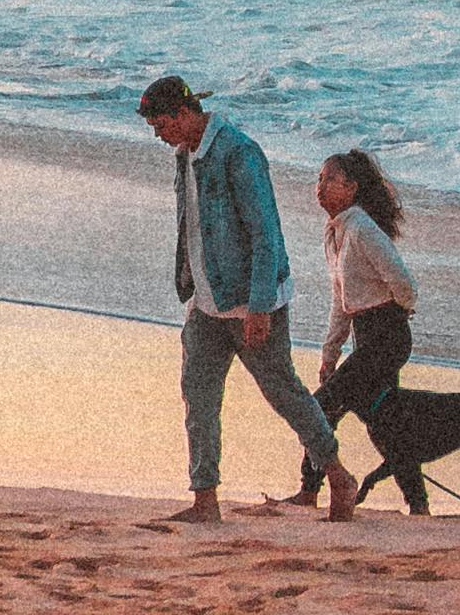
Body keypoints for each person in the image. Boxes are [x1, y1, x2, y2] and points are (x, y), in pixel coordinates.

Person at [135, 74, 355, 521]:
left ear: (183, 114)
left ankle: (337, 474)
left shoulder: (239, 152)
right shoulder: (185, 155)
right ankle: (205, 499)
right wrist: (190, 287)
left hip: (253, 301)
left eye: (161, 125)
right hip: (206, 302)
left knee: (284, 393)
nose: (158, 136)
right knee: (198, 397)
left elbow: (265, 233)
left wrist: (258, 307)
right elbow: (192, 228)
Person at [296, 147, 418, 505]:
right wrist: (329, 353)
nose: (320, 186)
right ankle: (418, 504)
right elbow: (341, 300)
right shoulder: (334, 231)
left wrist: (400, 310)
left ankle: (309, 490)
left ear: (351, 188)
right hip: (365, 336)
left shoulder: (362, 227)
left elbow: (404, 283)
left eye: (330, 180)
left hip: (387, 337)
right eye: (319, 179)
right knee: (386, 424)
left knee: (320, 407)